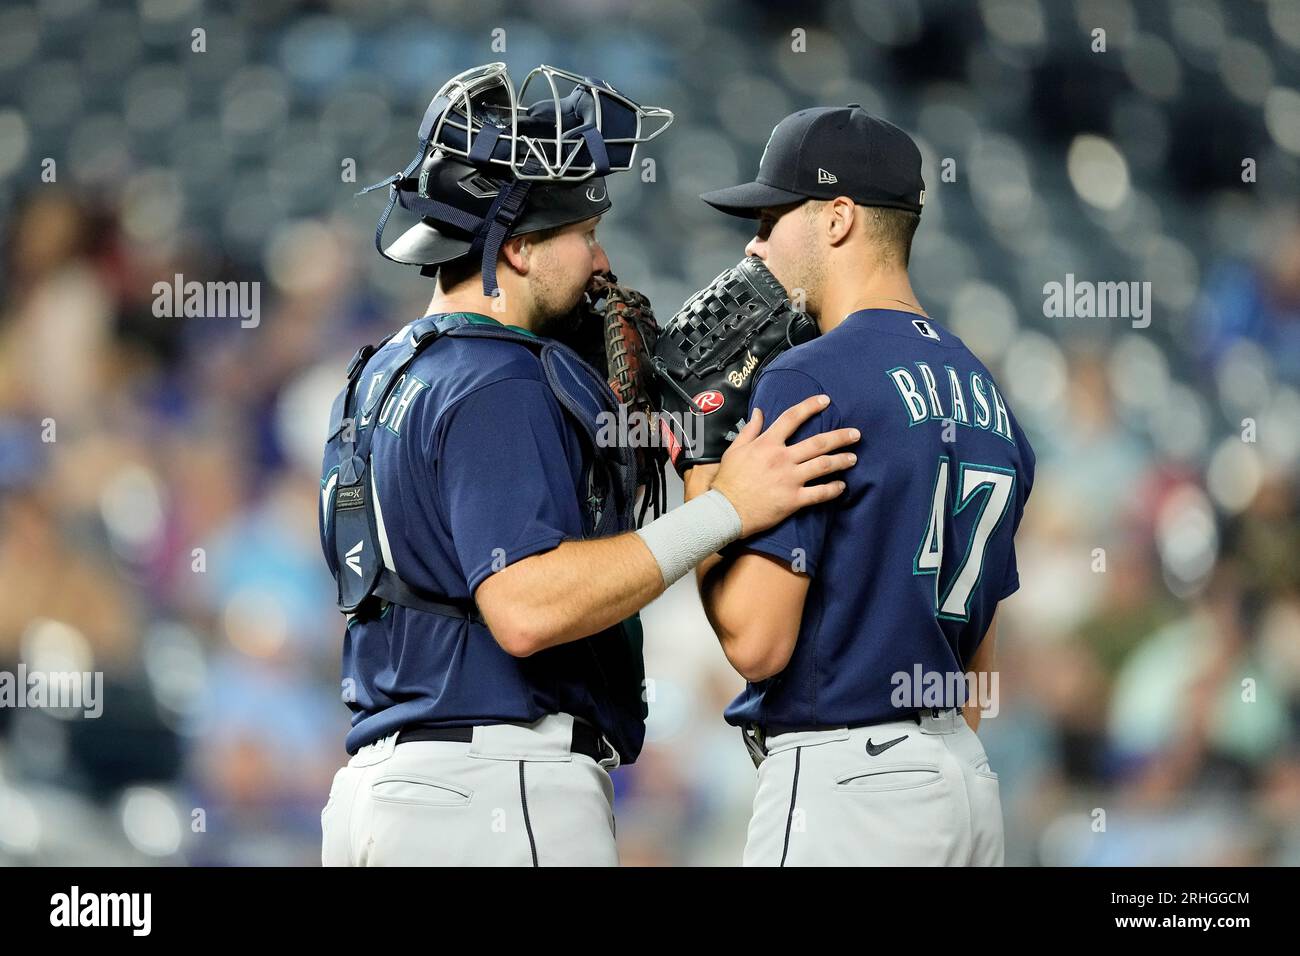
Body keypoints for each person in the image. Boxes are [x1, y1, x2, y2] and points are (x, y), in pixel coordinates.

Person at [317, 65, 859, 866]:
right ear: (523, 248)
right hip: (493, 790)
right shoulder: (497, 379)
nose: (602, 260)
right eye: (584, 233)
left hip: (385, 794)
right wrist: (727, 507)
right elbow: (526, 608)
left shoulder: (379, 377)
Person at [686, 105, 1036, 866]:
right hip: (963, 779)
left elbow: (757, 640)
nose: (755, 242)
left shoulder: (808, 377)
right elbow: (977, 664)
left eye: (773, 215)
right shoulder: (985, 389)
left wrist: (699, 459)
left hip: (849, 788)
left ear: (837, 217)